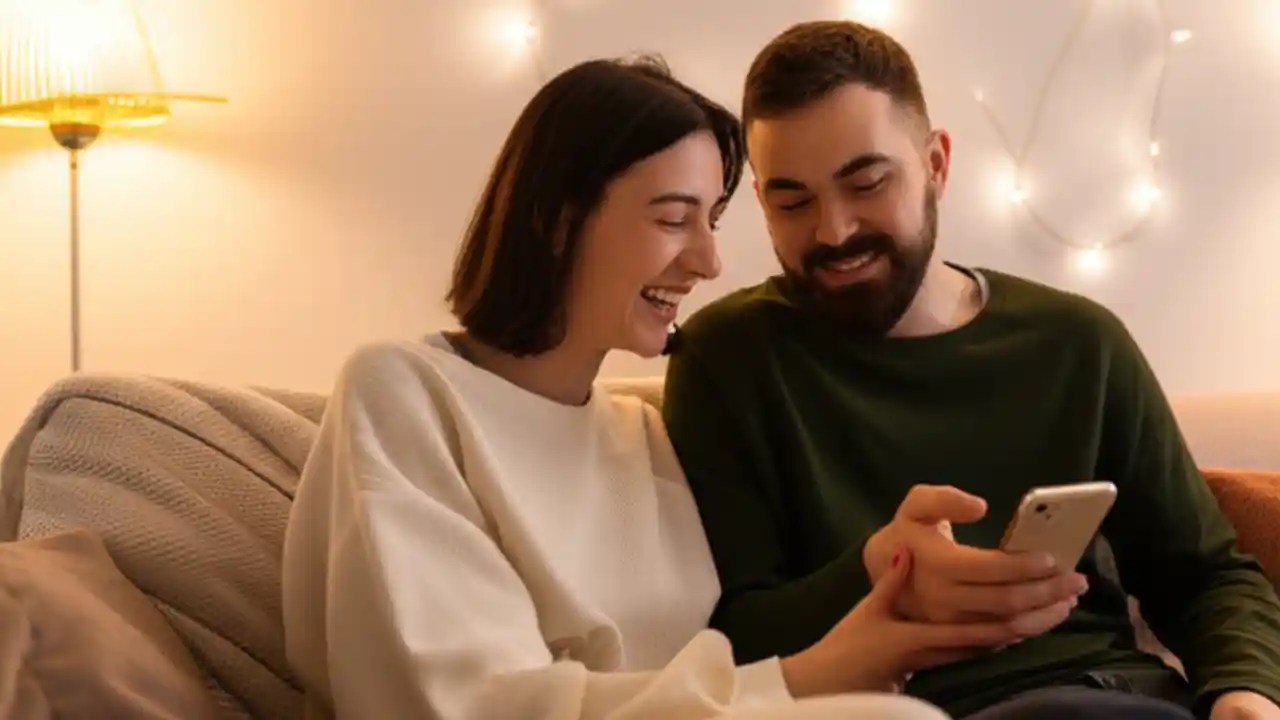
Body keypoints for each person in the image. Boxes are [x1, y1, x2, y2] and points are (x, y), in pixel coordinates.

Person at [279, 55, 1027, 720]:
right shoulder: (405, 392)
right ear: (556, 219)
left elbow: (713, 662)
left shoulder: (644, 436)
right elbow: (470, 701)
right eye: (674, 219)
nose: (707, 262)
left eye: (715, 220)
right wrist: (811, 675)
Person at [662, 20, 1280, 720]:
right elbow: (731, 636)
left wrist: (1245, 693)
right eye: (793, 201)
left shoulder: (1077, 342)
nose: (833, 231)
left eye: (866, 183)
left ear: (936, 165)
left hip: (1109, 695)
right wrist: (877, 570)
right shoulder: (727, 360)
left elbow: (1204, 574)